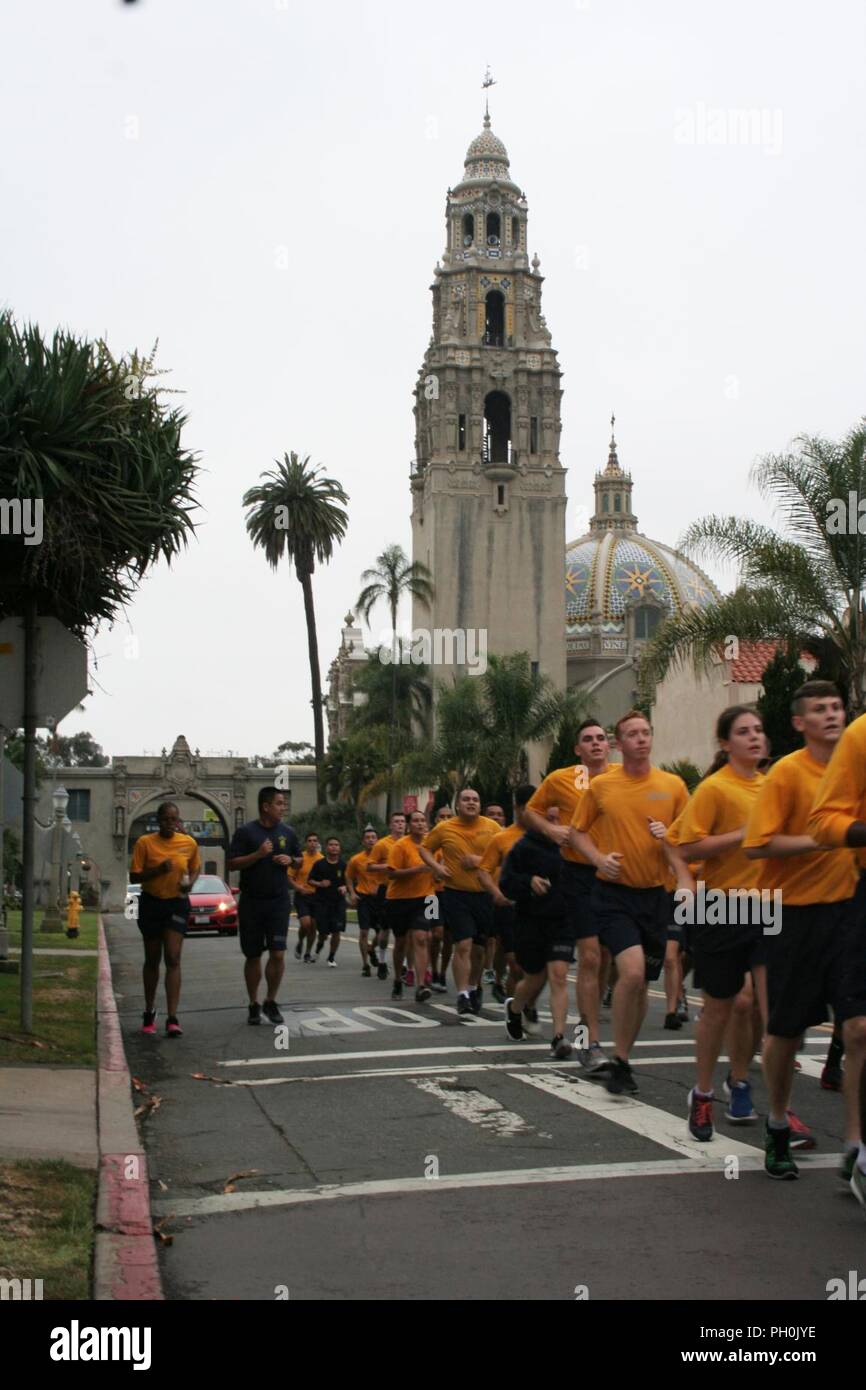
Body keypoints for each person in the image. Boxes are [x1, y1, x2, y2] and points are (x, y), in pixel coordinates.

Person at [744, 681, 859, 1180]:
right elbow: (755, 846)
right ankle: (775, 1122)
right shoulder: (787, 775)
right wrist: (821, 841)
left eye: (837, 707)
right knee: (785, 1033)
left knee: (858, 1028)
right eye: (819, 709)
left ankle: (855, 1144)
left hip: (850, 911)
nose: (831, 715)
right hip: (792, 915)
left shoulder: (856, 766)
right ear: (799, 722)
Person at [571, 711, 691, 1094]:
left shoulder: (672, 786)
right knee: (633, 972)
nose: (640, 739)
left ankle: (622, 1058)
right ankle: (606, 1052)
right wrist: (598, 859)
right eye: (631, 735)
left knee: (639, 986)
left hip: (656, 895)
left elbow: (689, 839)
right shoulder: (603, 786)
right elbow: (576, 833)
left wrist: (668, 835)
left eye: (645, 733)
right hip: (614, 895)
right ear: (619, 744)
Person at [666, 707, 768, 1140]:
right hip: (718, 906)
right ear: (725, 743)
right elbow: (686, 848)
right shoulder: (713, 789)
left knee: (763, 1004)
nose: (754, 737)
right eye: (743, 731)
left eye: (759, 730)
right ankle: (704, 1093)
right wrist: (742, 835)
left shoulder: (773, 786)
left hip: (767, 905)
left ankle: (741, 1083)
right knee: (723, 1006)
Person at [523, 719, 617, 1068]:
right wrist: (551, 828)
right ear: (578, 749)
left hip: (616, 874)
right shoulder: (561, 778)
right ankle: (587, 1043)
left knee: (605, 957)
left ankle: (585, 1024)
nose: (595, 743)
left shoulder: (622, 778)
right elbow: (531, 811)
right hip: (577, 873)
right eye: (588, 740)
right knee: (590, 957)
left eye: (601, 738)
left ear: (609, 746)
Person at [805, 695, 866, 1207]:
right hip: (859, 891)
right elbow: (824, 820)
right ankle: (856, 1145)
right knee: (860, 1029)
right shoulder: (860, 736)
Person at [500, 798, 575, 1058]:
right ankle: (515, 1008)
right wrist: (528, 882)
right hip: (530, 920)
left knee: (559, 974)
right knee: (534, 976)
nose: (556, 824)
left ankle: (558, 1038)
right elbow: (506, 883)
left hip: (563, 920)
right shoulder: (523, 847)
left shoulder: (574, 845)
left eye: (559, 818)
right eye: (550, 819)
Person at [419, 789, 500, 1015]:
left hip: (484, 895)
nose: (471, 803)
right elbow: (424, 848)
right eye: (466, 799)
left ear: (480, 805)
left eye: (475, 799)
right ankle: (462, 994)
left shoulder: (492, 828)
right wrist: (436, 866)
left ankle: (474, 987)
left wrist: (479, 861)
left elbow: (506, 853)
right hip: (455, 894)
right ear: (458, 804)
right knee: (462, 944)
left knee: (479, 950)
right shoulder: (445, 828)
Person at [228, 787, 302, 1025]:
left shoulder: (288, 833)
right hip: (252, 902)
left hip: (278, 901)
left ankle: (270, 1000)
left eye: (284, 803)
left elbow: (299, 859)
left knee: (278, 953)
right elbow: (231, 864)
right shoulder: (245, 832)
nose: (283, 808)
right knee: (253, 955)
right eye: (279, 803)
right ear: (266, 806)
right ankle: (253, 1002)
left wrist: (291, 860)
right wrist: (258, 854)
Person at [129, 801, 201, 1037]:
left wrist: (189, 883)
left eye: (174, 819)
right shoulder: (145, 843)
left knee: (172, 957)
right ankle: (149, 1012)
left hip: (177, 903)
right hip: (151, 902)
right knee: (152, 959)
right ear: (157, 821)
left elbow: (195, 867)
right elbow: (135, 875)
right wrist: (158, 870)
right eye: (166, 819)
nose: (170, 824)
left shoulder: (188, 843)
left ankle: (172, 1017)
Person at [477, 786, 534, 1006]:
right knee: (516, 963)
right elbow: (483, 871)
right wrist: (497, 894)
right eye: (528, 808)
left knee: (530, 963)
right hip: (507, 905)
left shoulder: (546, 837)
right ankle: (516, 1009)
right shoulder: (502, 838)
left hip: (536, 908)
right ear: (518, 809)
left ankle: (504, 985)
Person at [386, 810, 437, 1002]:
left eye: (423, 820)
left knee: (424, 937)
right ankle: (398, 979)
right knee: (400, 942)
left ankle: (421, 985)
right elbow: (391, 874)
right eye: (415, 821)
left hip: (428, 897)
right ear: (409, 825)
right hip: (399, 899)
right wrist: (418, 870)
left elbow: (439, 867)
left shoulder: (433, 845)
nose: (420, 824)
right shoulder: (401, 846)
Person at [368, 813, 407, 980]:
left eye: (402, 822)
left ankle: (404, 964)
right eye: (396, 822)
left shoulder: (410, 842)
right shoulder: (382, 844)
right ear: (390, 825)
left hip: (407, 890)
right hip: (387, 890)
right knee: (385, 929)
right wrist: (388, 867)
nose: (400, 824)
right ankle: (382, 961)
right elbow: (370, 867)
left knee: (406, 931)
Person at [307, 837, 348, 966]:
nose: (334, 847)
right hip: (322, 902)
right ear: (326, 847)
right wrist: (320, 883)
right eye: (331, 845)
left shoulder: (344, 865)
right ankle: (319, 947)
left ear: (340, 848)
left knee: (337, 931)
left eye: (336, 845)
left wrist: (345, 887)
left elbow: (350, 882)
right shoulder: (319, 864)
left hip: (338, 903)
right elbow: (309, 880)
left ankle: (331, 957)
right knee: (323, 933)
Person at [346, 826, 381, 976]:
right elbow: (348, 876)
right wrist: (352, 893)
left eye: (373, 837)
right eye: (367, 838)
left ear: (377, 840)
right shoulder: (356, 859)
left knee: (382, 932)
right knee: (364, 931)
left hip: (379, 899)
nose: (371, 840)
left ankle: (372, 948)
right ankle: (365, 965)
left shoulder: (383, 858)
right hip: (364, 898)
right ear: (363, 841)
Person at [429, 805, 453, 991]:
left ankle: (443, 973)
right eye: (441, 816)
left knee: (449, 937)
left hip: (453, 893)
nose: (444, 819)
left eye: (448, 816)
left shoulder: (456, 841)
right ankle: (434, 970)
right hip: (432, 894)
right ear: (436, 820)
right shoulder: (431, 841)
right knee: (436, 934)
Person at [291, 832, 323, 963]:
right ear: (306, 843)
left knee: (313, 927)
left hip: (317, 897)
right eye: (310, 841)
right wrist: (299, 888)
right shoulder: (300, 858)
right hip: (302, 896)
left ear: (318, 843)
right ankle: (300, 942)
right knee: (306, 924)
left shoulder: (322, 859)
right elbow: (289, 878)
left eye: (315, 841)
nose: (312, 843)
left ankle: (308, 952)